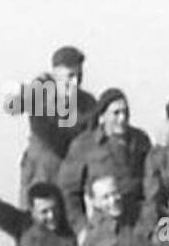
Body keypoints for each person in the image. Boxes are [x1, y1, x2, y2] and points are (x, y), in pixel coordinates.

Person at [4, 45, 98, 205]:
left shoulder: (87, 104)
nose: (75, 83)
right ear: (56, 75)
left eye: (79, 76)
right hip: (40, 180)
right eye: (70, 76)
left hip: (73, 185)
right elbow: (12, 106)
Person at [58, 88, 153, 234]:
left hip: (137, 223)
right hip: (102, 225)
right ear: (102, 117)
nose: (122, 118)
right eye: (116, 113)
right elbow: (68, 192)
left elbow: (152, 181)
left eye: (125, 112)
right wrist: (81, 228)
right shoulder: (84, 145)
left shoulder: (140, 140)